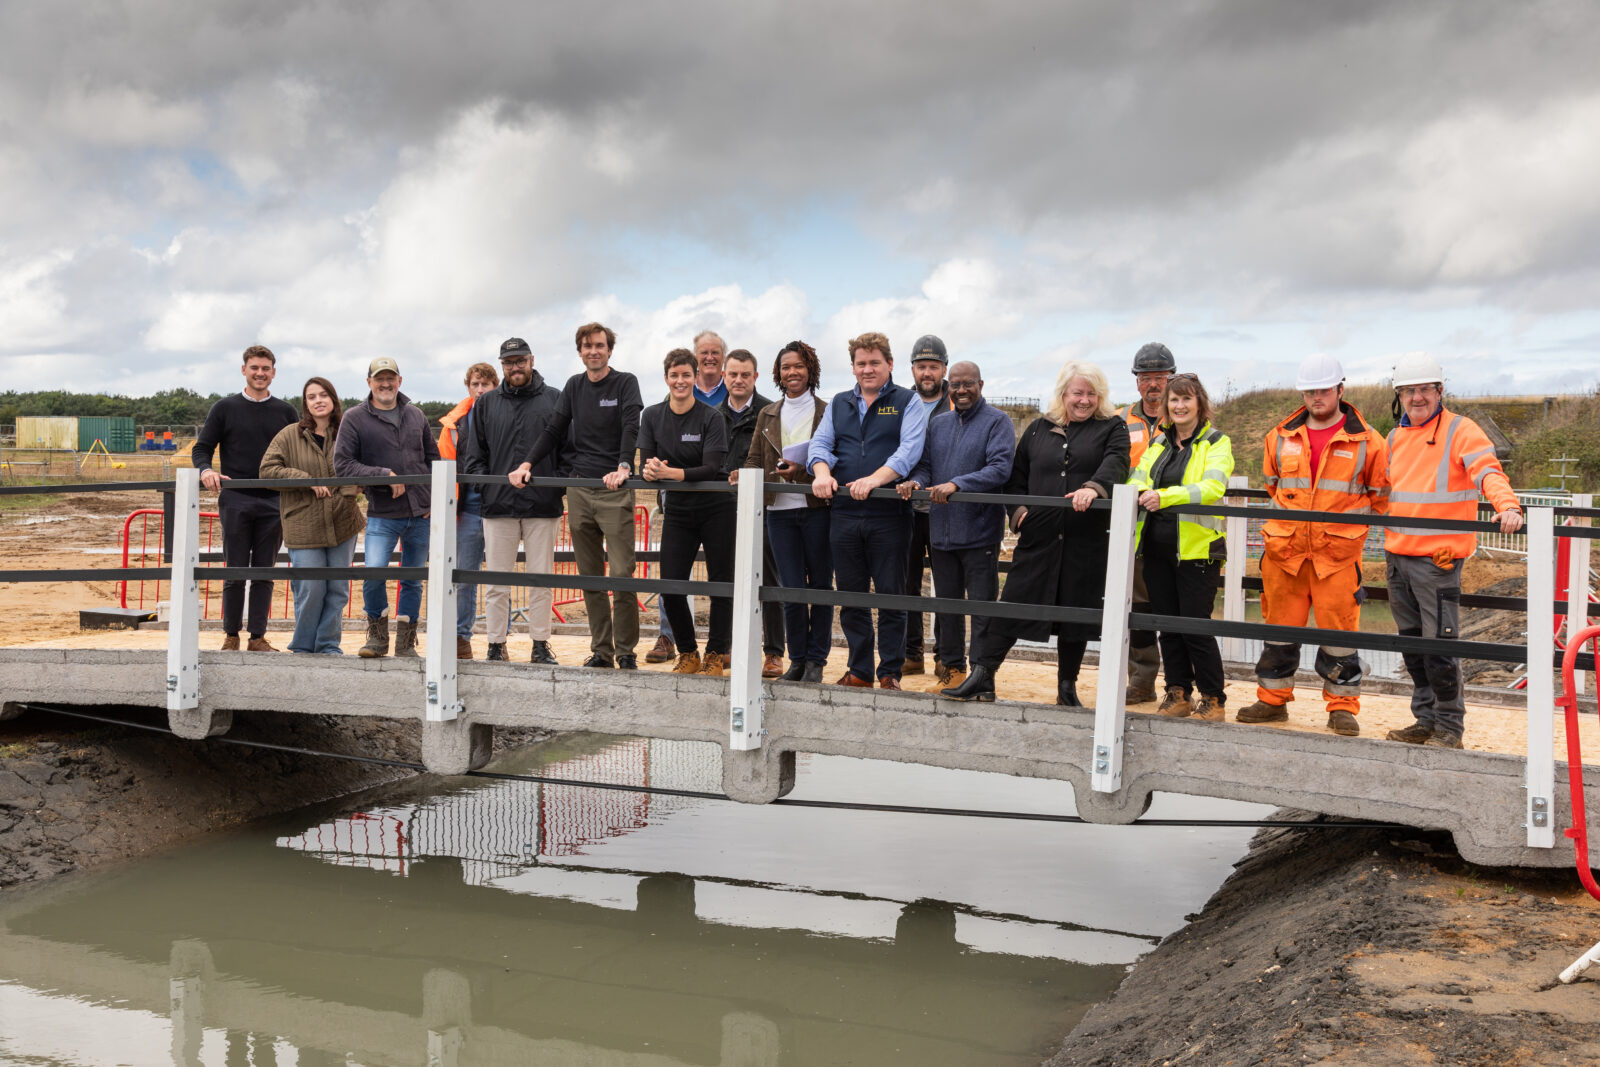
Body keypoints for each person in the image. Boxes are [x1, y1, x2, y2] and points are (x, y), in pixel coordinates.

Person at [941, 362, 1128, 704]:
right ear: (1063, 394)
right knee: (1011, 606)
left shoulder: (1112, 427)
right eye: (1077, 393)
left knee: (1074, 616)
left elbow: (1117, 462)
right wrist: (1019, 514)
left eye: (1091, 393)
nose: (1084, 400)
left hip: (1085, 539)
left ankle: (1066, 688)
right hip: (1038, 537)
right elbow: (1016, 477)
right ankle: (983, 676)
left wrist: (1094, 487)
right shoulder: (1039, 429)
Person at [1235, 355, 1389, 737]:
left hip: (1336, 557)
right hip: (1285, 554)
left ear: (1340, 389)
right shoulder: (1279, 437)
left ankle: (1342, 708)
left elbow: (1380, 495)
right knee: (1278, 632)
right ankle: (1272, 701)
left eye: (1323, 389)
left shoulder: (1369, 442)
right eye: (1309, 391)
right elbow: (1274, 485)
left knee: (1340, 637)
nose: (1316, 397)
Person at [1382, 353, 1522, 749]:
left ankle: (1449, 728)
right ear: (1399, 396)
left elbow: (1488, 471)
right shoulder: (1394, 438)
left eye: (1425, 389)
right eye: (1409, 391)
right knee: (1413, 646)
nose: (1417, 397)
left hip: (1437, 560)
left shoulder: (1462, 430)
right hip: (1397, 558)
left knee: (1440, 648)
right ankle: (1425, 720)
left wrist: (1507, 506)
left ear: (1440, 390)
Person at [510, 322, 644, 669]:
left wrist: (625, 465)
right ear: (580, 351)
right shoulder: (573, 385)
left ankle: (626, 651)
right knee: (590, 577)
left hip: (614, 488)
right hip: (580, 489)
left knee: (622, 575)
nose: (593, 351)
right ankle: (602, 651)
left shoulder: (625, 382)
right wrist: (527, 463)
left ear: (609, 350)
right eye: (587, 346)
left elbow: (631, 425)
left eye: (599, 345)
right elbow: (553, 430)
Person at [809, 331, 930, 689]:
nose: (867, 369)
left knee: (892, 596)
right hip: (844, 513)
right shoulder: (839, 403)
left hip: (889, 514)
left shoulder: (908, 402)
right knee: (852, 597)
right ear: (853, 367)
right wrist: (821, 473)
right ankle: (860, 670)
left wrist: (875, 480)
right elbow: (820, 444)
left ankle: (890, 672)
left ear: (889, 364)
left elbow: (909, 450)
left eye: (874, 362)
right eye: (861, 363)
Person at [900, 360, 1014, 691]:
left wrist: (957, 484)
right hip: (942, 531)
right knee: (946, 607)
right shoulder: (939, 424)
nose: (962, 390)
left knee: (981, 609)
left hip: (980, 532)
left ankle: (982, 675)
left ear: (981, 385)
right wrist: (915, 482)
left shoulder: (998, 421)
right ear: (948, 386)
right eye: (956, 384)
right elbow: (925, 466)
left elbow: (1000, 468)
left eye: (968, 384)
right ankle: (952, 669)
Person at [1128, 373, 1234, 720]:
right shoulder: (1159, 443)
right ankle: (1177, 693)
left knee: (1195, 626)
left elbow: (1212, 487)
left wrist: (1164, 496)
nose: (1180, 405)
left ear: (1199, 403)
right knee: (1168, 626)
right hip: (1156, 548)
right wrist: (1141, 491)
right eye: (1174, 400)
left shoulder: (1216, 442)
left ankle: (1214, 698)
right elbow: (1137, 477)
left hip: (1197, 551)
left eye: (1187, 399)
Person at [463, 338, 564, 665]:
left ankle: (540, 644)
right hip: (498, 507)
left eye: (520, 361)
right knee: (496, 582)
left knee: (541, 580)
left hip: (542, 507)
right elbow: (474, 455)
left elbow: (568, 450)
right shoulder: (487, 404)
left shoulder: (555, 399)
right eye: (508, 362)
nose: (515, 367)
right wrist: (487, 488)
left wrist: (556, 487)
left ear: (531, 360)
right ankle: (495, 644)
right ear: (502, 365)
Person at [191, 345, 298, 651]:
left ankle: (257, 637)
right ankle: (231, 635)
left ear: (273, 373)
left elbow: (298, 451)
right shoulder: (224, 408)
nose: (260, 373)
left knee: (264, 572)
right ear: (244, 370)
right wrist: (206, 470)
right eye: (254, 368)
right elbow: (202, 448)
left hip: (274, 501)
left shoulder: (286, 412)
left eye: (265, 369)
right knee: (235, 571)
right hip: (235, 498)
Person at [333, 357, 440, 658]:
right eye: (379, 378)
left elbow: (433, 460)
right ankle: (378, 638)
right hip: (383, 513)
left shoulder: (416, 415)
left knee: (413, 580)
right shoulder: (355, 418)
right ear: (369, 383)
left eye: (390, 378)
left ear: (399, 381)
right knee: (374, 574)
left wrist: (432, 498)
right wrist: (383, 475)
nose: (385, 384)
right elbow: (343, 465)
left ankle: (405, 643)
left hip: (420, 513)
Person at [640, 349, 734, 674]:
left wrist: (671, 473)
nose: (680, 381)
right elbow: (647, 462)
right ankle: (688, 653)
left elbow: (711, 467)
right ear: (666, 378)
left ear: (695, 378)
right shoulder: (652, 415)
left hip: (717, 507)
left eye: (686, 375)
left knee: (721, 583)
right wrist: (650, 471)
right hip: (678, 508)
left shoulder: (711, 417)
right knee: (671, 585)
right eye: (674, 375)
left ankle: (715, 655)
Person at [743, 340, 832, 682]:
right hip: (779, 512)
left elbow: (834, 459)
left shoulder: (828, 412)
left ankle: (816, 661)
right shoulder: (767, 414)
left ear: (811, 369)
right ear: (777, 373)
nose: (792, 372)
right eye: (785, 367)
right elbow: (754, 459)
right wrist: (745, 474)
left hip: (817, 509)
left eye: (798, 366)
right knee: (791, 589)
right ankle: (797, 660)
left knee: (820, 586)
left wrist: (802, 473)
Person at [260, 377, 363, 654]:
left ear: (333, 399)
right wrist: (305, 480)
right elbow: (267, 471)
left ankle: (328, 645)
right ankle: (303, 647)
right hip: (303, 523)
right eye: (312, 397)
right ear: (305, 403)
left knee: (337, 589)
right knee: (311, 586)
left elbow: (361, 467)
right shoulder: (289, 435)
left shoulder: (348, 432)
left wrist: (349, 493)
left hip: (343, 521)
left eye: (323, 395)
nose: (318, 401)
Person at [719, 348, 786, 678]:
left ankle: (774, 652)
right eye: (733, 374)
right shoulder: (712, 415)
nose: (738, 380)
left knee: (769, 579)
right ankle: (730, 646)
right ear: (723, 376)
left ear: (755, 377)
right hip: (724, 507)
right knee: (729, 578)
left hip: (764, 508)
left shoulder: (771, 414)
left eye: (745, 374)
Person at [1116, 342, 1177, 704]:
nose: (1153, 384)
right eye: (1146, 377)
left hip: (1175, 527)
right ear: (1136, 381)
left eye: (1160, 377)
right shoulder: (1119, 420)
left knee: (1173, 608)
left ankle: (1179, 686)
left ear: (1172, 378)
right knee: (1137, 606)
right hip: (1134, 527)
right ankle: (1141, 680)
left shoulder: (1185, 417)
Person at [437, 360, 498, 659]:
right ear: (468, 387)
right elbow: (444, 465)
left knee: (501, 578)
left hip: (500, 507)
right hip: (468, 509)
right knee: (464, 578)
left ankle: (499, 642)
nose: (480, 389)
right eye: (475, 384)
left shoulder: (505, 416)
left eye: (486, 384)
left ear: (495, 386)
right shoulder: (454, 424)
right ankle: (461, 638)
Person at [903, 334, 955, 676]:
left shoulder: (956, 402)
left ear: (944, 369)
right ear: (912, 369)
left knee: (946, 584)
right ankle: (911, 654)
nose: (927, 373)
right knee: (906, 583)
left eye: (933, 366)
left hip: (944, 507)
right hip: (906, 506)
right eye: (921, 366)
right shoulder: (901, 403)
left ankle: (944, 656)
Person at [692, 330, 728, 407]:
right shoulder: (684, 389)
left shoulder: (733, 389)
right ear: (695, 358)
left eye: (715, 352)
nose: (709, 358)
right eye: (704, 353)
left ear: (724, 357)